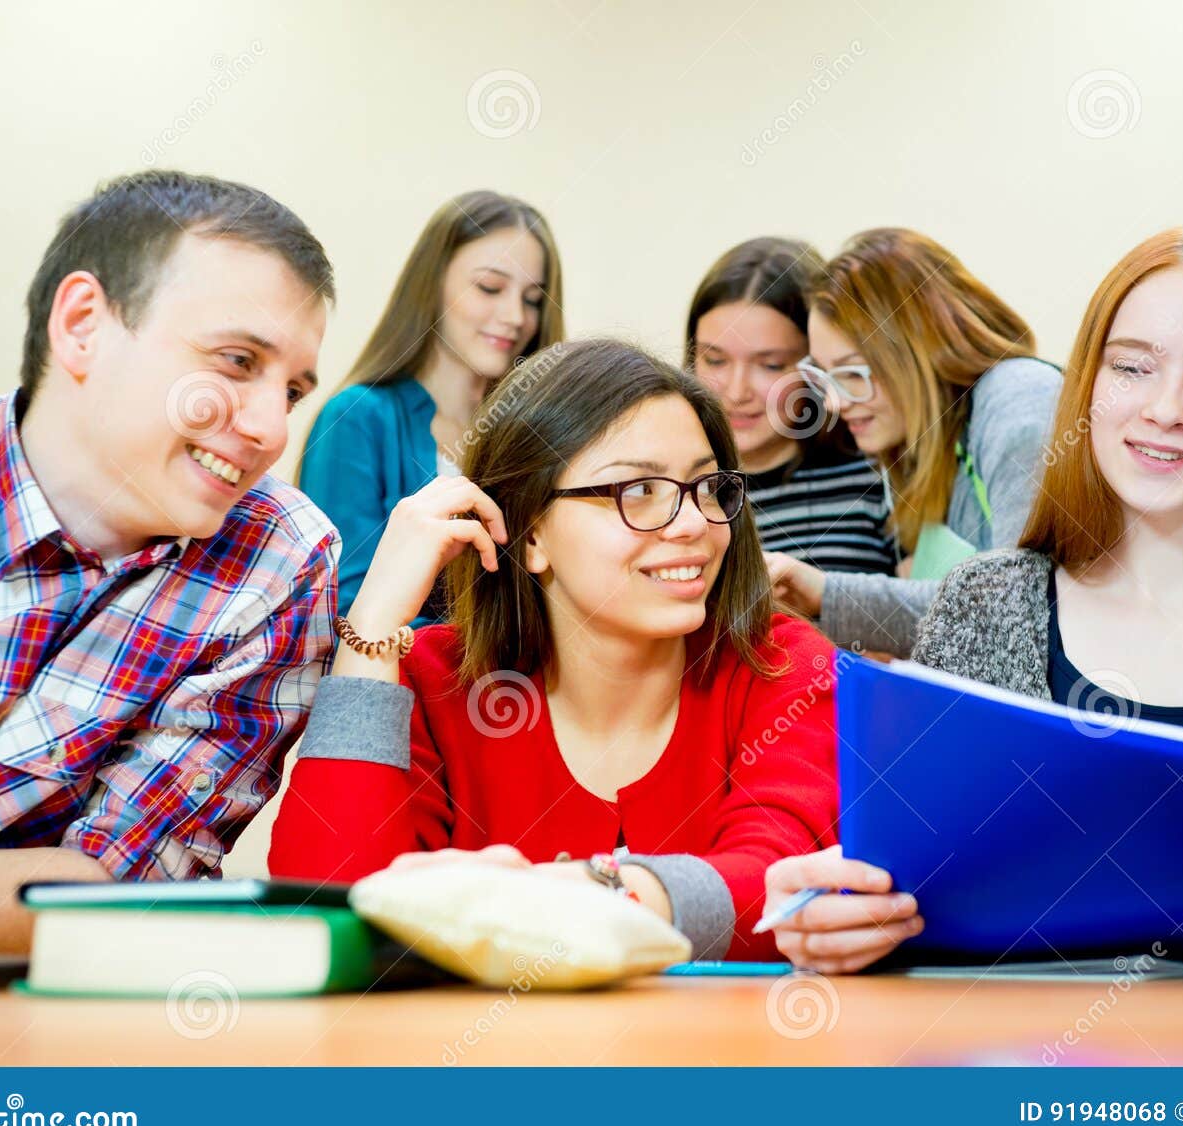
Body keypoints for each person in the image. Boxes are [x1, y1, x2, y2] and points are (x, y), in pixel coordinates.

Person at [764, 222, 1183, 974]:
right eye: (1132, 368)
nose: (1166, 409)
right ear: (1088, 379)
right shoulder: (982, 603)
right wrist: (838, 918)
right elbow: (903, 886)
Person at [0, 171, 341, 953]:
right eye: (237, 361)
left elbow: (130, 891)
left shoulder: (279, 561)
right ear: (83, 325)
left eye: (291, 392)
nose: (271, 430)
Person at [269, 339, 839, 960]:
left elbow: (786, 889)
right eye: (639, 490)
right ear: (531, 532)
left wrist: (568, 896)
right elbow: (324, 914)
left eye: (707, 486)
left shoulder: (784, 664)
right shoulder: (431, 682)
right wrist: (371, 626)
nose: (695, 523)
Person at [766, 228, 1061, 655]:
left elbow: (1015, 610)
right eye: (825, 376)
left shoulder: (1020, 399)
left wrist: (826, 594)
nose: (833, 402)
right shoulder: (929, 444)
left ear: (915, 353)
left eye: (852, 373)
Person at [299, 190, 565, 618]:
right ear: (432, 285)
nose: (516, 317)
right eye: (490, 287)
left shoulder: (537, 431)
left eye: (533, 299)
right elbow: (345, 610)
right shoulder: (357, 419)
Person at [686, 237, 895, 575]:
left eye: (770, 365)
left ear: (818, 365)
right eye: (715, 360)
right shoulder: (676, 492)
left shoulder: (877, 477)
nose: (737, 392)